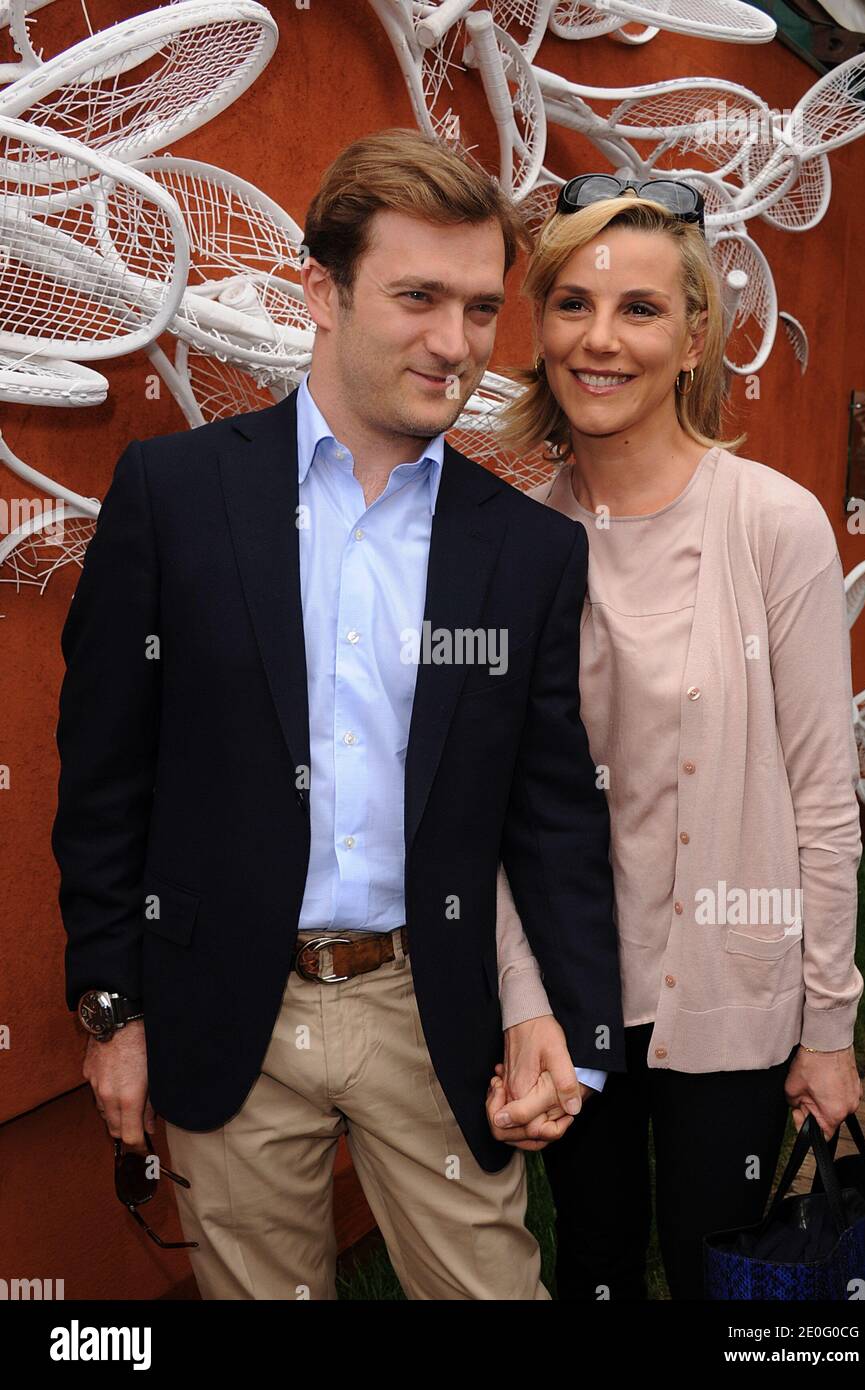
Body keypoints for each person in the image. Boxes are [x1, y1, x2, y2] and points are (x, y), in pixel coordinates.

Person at [51, 131, 624, 1301]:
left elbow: (552, 811)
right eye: (417, 297)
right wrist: (110, 1009)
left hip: (434, 1005)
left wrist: (560, 1013)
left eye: (477, 308)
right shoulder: (175, 498)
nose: (456, 344)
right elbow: (105, 776)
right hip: (227, 1012)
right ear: (322, 289)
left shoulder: (527, 552)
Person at [484, 174, 864, 1300]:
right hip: (574, 996)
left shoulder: (771, 522)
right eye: (573, 304)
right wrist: (523, 1000)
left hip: (731, 1000)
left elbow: (821, 797)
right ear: (541, 325)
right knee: (593, 1263)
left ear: (697, 335)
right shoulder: (514, 544)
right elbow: (495, 812)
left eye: (642, 309)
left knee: (719, 1271)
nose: (602, 339)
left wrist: (831, 1027)